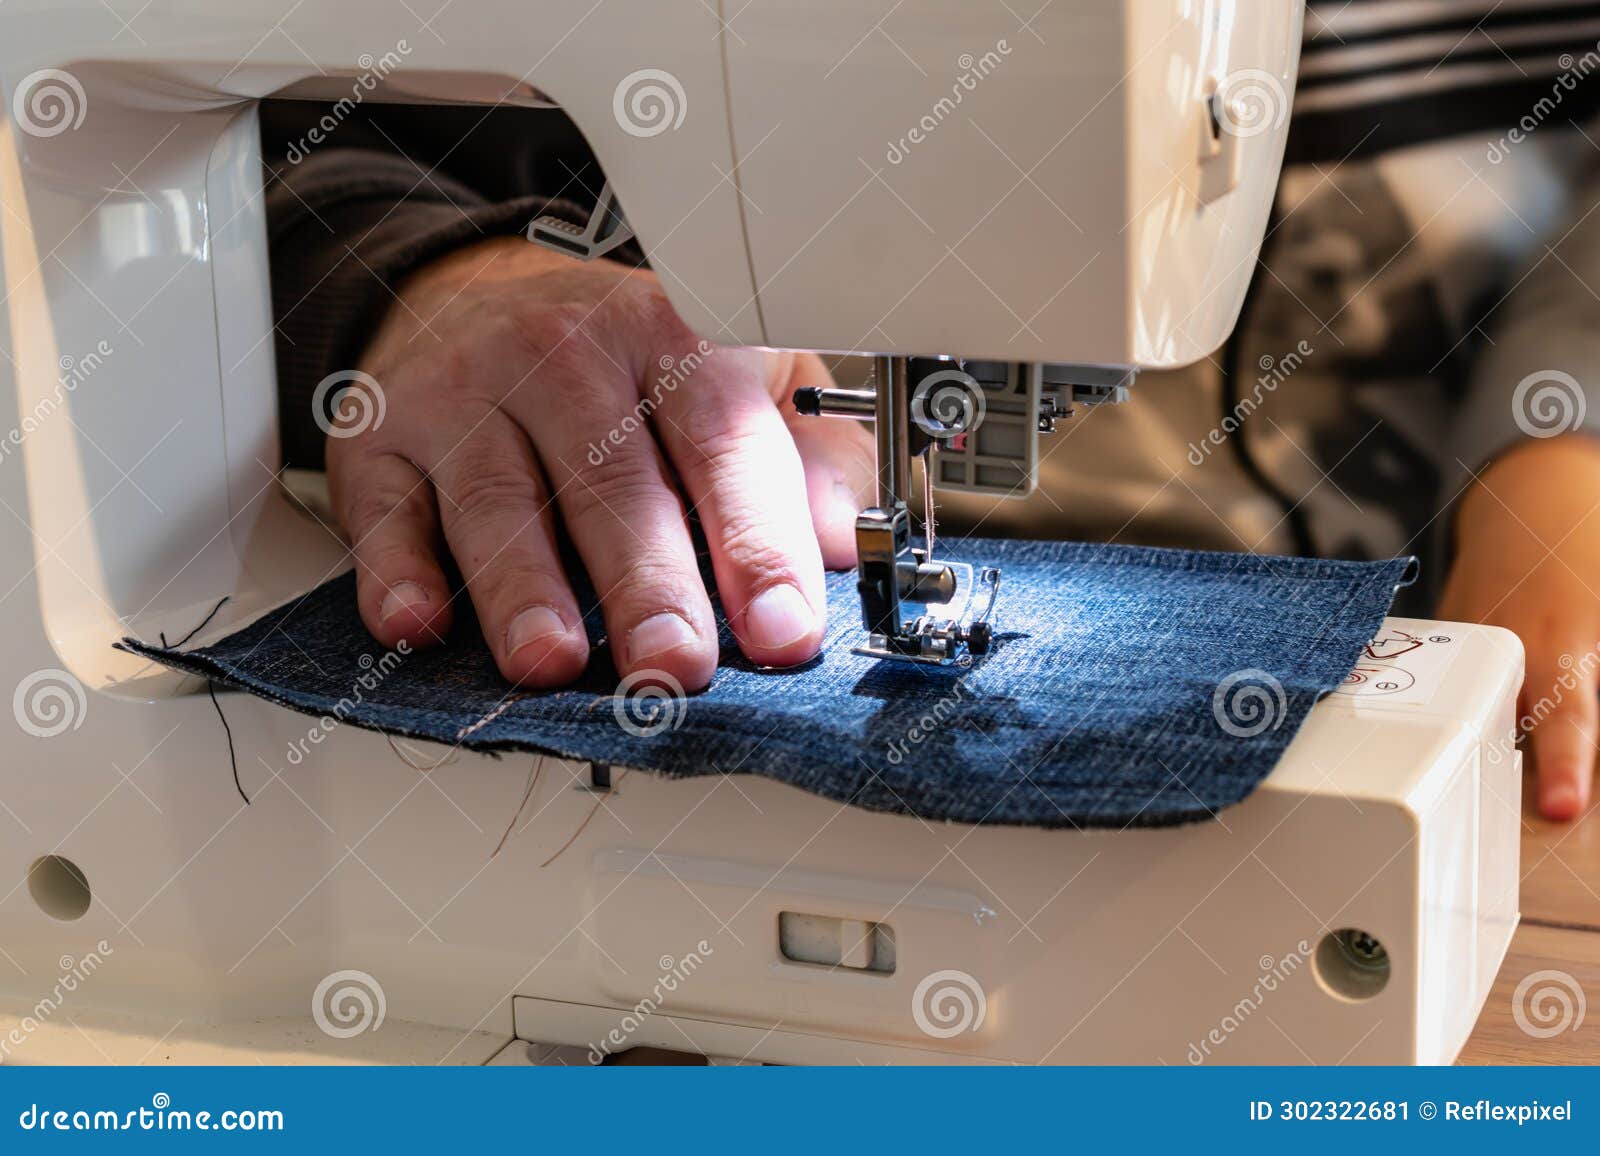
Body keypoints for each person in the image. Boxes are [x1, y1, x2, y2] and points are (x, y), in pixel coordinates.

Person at [263, 3, 1600, 821]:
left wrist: (1564, 437)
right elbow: (238, 123)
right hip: (685, 501)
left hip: (1420, 553)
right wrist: (412, 267)